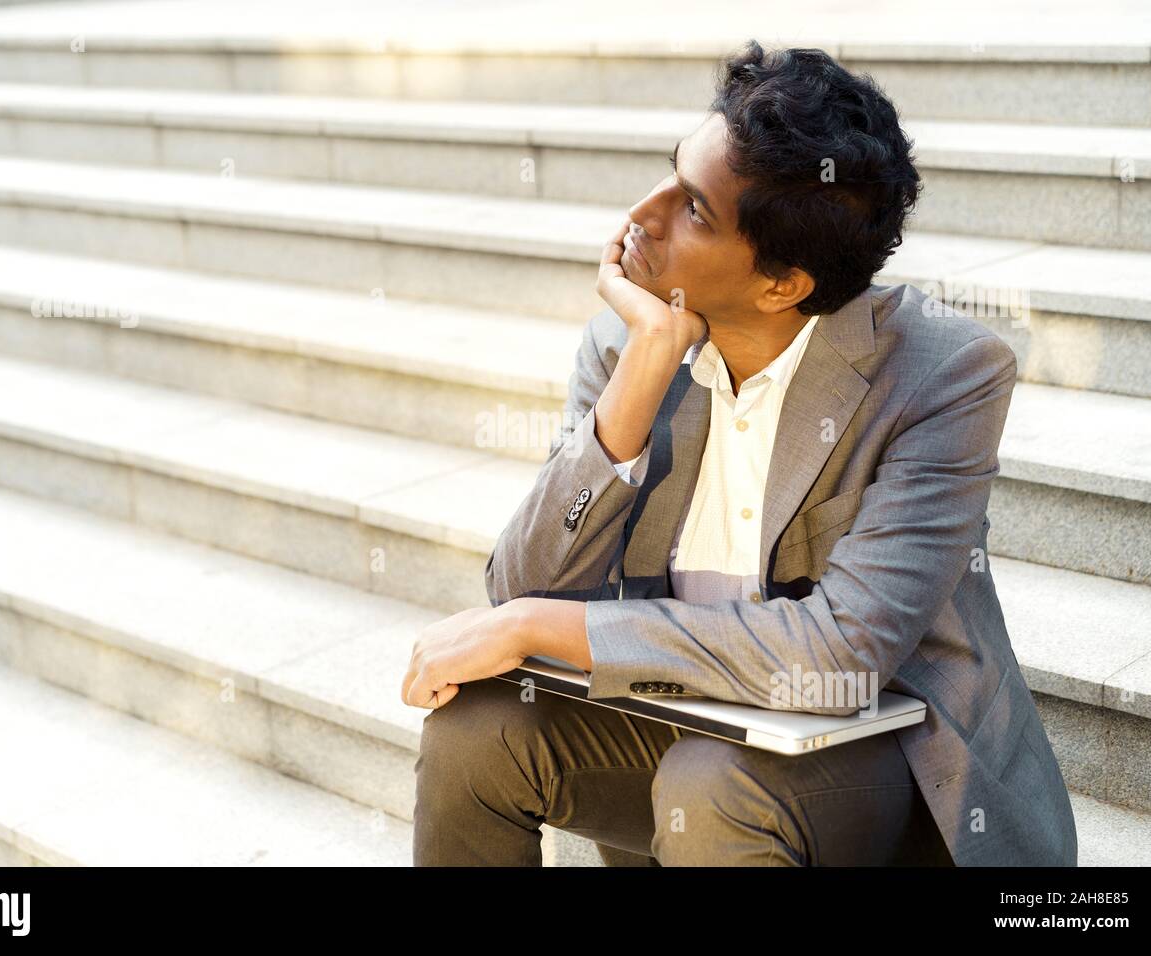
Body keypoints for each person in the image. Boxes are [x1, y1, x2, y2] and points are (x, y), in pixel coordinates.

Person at [403, 40, 1077, 868]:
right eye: (668, 174)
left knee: (714, 781)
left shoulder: (944, 374)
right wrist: (645, 374)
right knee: (477, 731)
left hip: (887, 771)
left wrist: (541, 625)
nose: (640, 217)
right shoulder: (631, 338)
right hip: (693, 729)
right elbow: (519, 589)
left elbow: (837, 653)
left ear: (782, 284)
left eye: (692, 208)